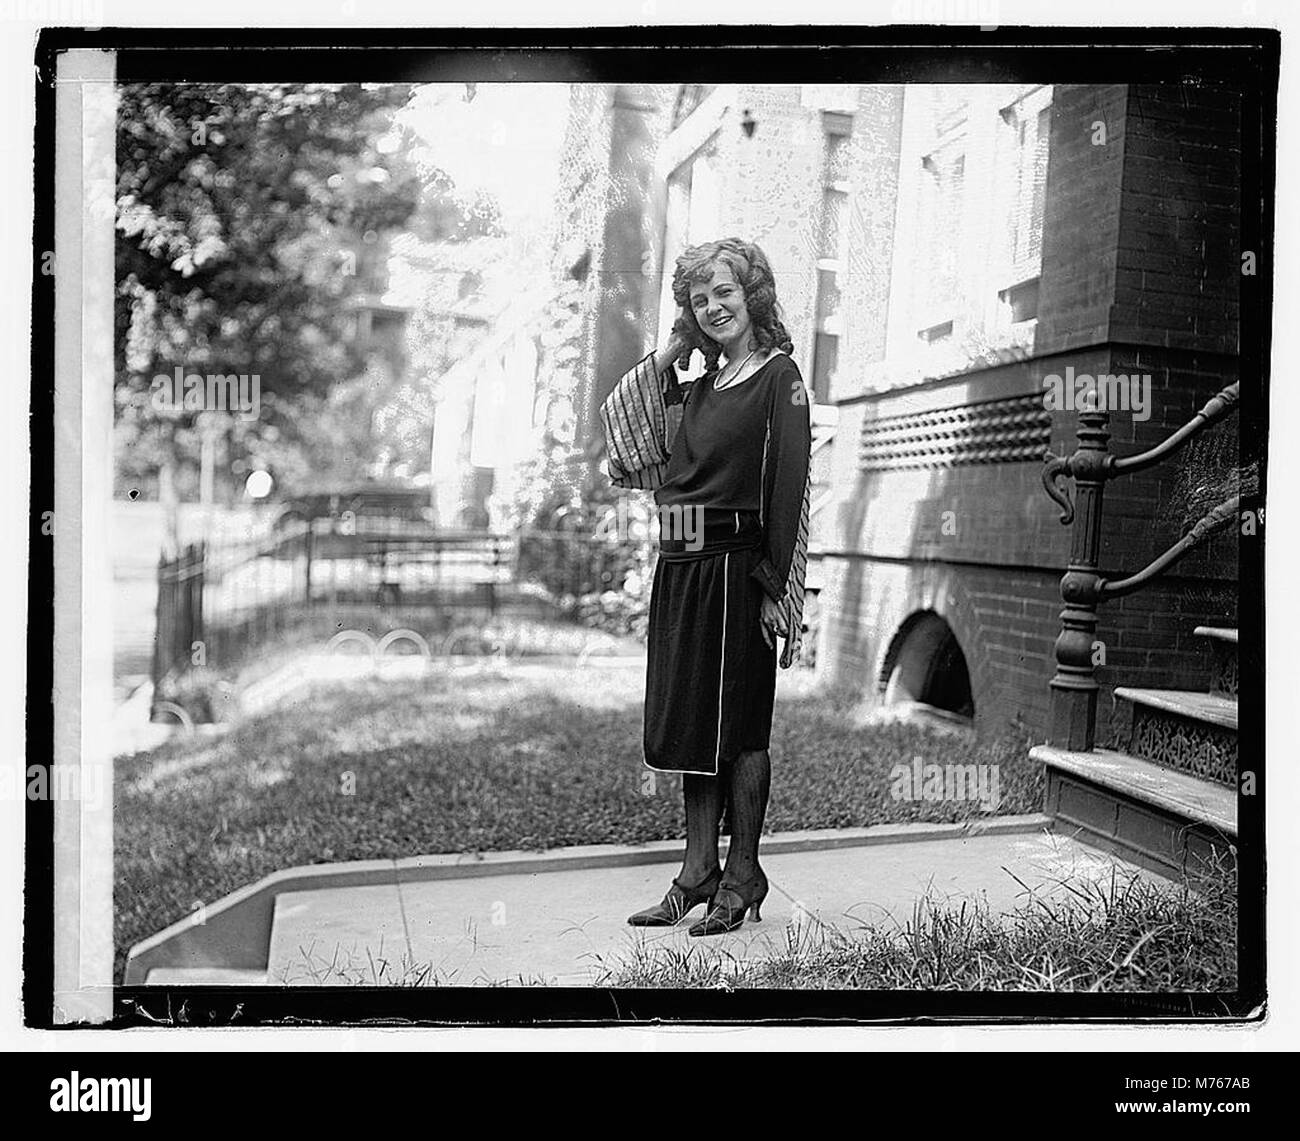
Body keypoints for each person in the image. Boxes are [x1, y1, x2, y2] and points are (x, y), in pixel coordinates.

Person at [599, 237, 812, 936]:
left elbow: (787, 489)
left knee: (742, 727)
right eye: (698, 299)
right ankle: (697, 871)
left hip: (736, 571)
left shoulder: (779, 378)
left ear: (751, 295)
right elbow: (623, 436)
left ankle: (744, 870)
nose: (713, 306)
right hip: (681, 573)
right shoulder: (690, 393)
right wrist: (672, 347)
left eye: (724, 292)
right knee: (693, 725)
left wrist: (776, 585)